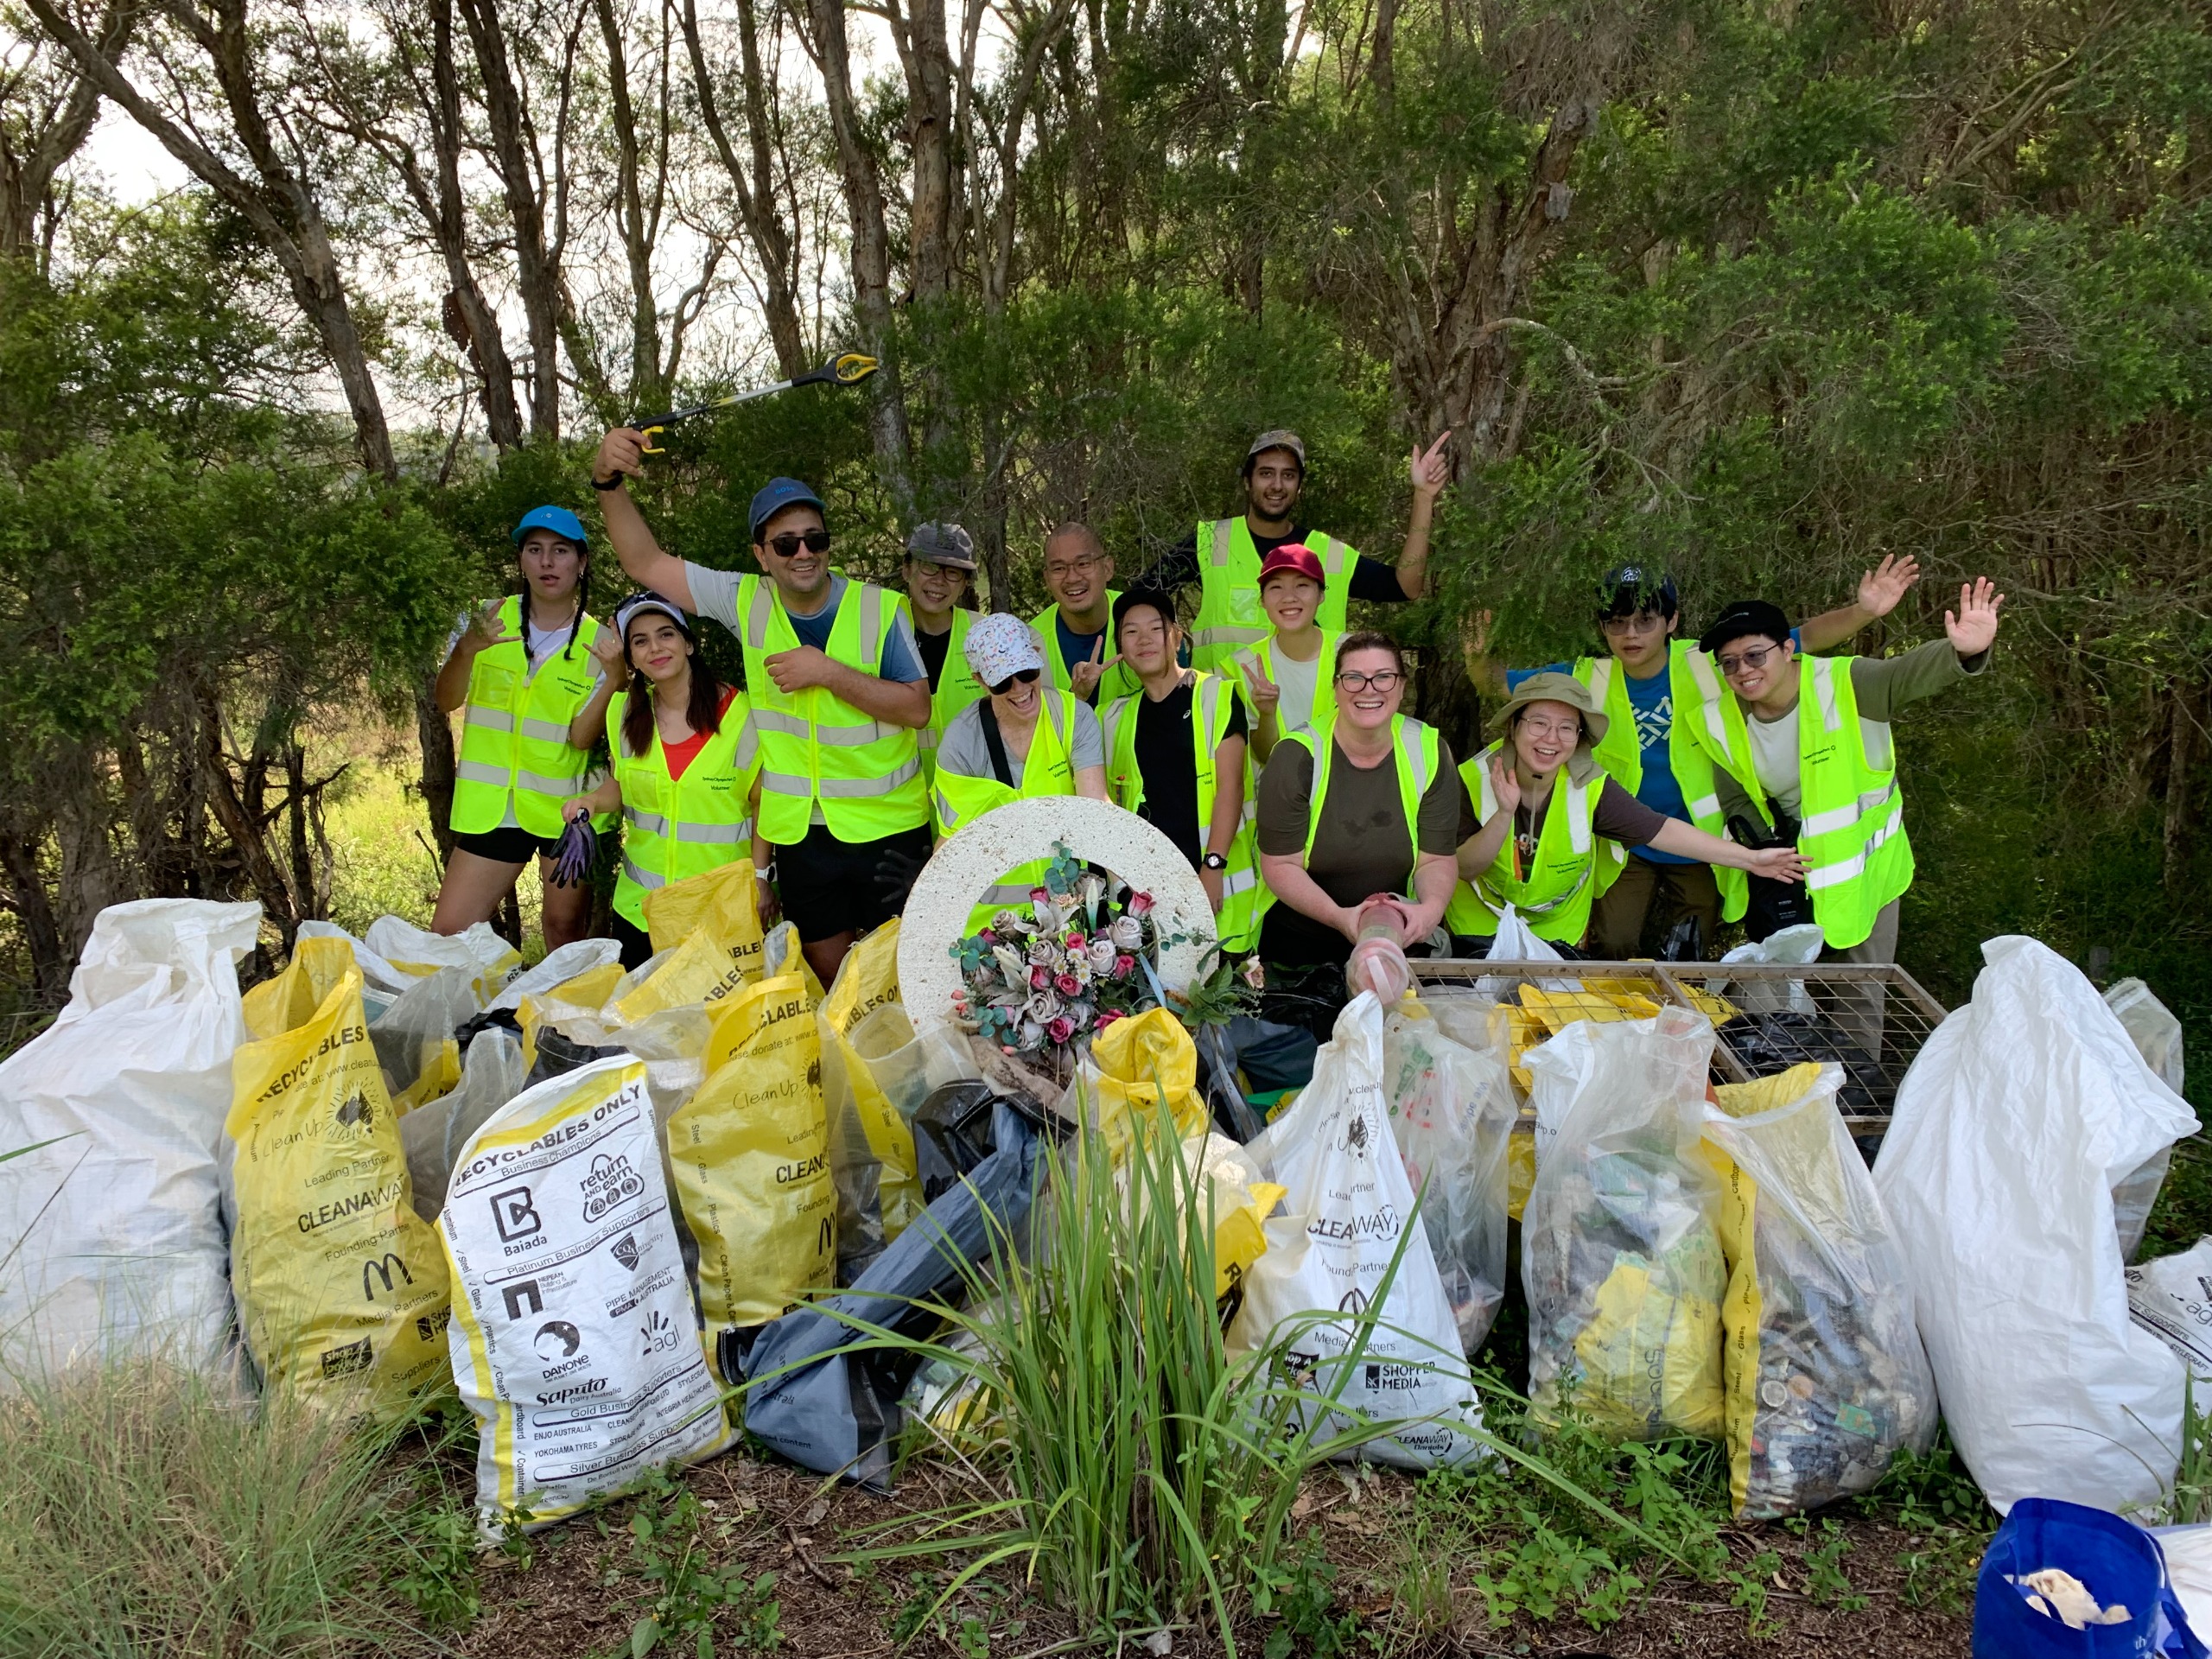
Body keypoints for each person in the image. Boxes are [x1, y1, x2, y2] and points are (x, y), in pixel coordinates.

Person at [589, 429, 933, 987]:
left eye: (815, 539)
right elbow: (645, 561)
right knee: (831, 984)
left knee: (905, 979)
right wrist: (608, 482)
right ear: (761, 555)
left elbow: (916, 708)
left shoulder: (880, 608)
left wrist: (826, 671)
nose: (804, 553)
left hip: (889, 830)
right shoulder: (744, 600)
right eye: (786, 543)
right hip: (800, 835)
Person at [1463, 556, 1923, 957]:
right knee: (1615, 938)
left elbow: (1802, 639)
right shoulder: (1587, 676)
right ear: (1602, 628)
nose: (1630, 634)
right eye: (1616, 623)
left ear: (1672, 621)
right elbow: (1498, 684)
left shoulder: (1712, 661)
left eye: (1645, 620)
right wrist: (1475, 656)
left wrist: (1864, 611)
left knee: (1694, 941)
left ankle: (1683, 1016)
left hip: (1702, 836)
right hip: (1625, 840)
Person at [1685, 581, 2004, 969]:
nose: (1743, 671)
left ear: (1787, 649)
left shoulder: (1846, 683)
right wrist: (1774, 854)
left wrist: (1963, 651)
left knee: (1861, 988)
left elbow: (1904, 674)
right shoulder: (1719, 719)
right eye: (1730, 663)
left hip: (1866, 869)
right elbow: (1736, 798)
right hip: (1788, 868)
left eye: (1755, 655)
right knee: (1783, 991)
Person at [1446, 673, 1807, 954]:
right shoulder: (1469, 779)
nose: (1551, 739)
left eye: (1566, 728)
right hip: (1479, 928)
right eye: (1539, 723)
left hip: (1555, 933)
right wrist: (1504, 813)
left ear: (1579, 738)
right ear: (1513, 726)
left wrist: (1751, 859)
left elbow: (1660, 830)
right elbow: (1465, 867)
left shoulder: (1590, 785)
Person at [430, 504, 617, 949]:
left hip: (566, 811)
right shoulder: (483, 617)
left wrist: (614, 679)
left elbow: (582, 739)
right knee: (447, 933)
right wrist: (465, 650)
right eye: (534, 550)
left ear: (582, 561)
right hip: (494, 806)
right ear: (521, 560)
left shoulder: (601, 643)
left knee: (564, 931)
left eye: (560, 551)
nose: (547, 562)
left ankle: (564, 1000)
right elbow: (446, 701)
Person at [559, 594, 766, 969]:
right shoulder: (623, 712)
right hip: (640, 912)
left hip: (718, 911)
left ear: (688, 644)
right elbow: (621, 786)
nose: (655, 647)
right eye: (640, 641)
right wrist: (591, 801)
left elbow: (761, 803)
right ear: (632, 659)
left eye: (666, 634)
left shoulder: (743, 714)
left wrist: (762, 878)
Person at [1138, 429, 1449, 671]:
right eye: (1266, 473)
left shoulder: (1328, 554)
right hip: (1224, 720)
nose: (1277, 485)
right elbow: (1142, 597)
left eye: (1288, 475)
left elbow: (1406, 586)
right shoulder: (1209, 541)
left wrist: (1423, 497)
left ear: (1299, 486)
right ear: (1247, 481)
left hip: (1308, 723)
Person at [1253, 632, 1460, 970]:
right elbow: (1279, 865)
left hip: (1395, 938)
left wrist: (1430, 911)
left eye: (1383, 677)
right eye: (1354, 678)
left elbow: (1435, 859)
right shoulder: (1296, 755)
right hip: (1300, 945)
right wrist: (1340, 917)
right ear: (1336, 688)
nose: (1369, 689)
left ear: (1401, 686)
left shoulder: (1429, 749)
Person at [1099, 591, 1260, 951]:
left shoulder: (1215, 695)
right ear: (1120, 648)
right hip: (1147, 895)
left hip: (1216, 886)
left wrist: (1213, 866)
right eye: (1131, 632)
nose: (1144, 639)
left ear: (1176, 636)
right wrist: (1079, 696)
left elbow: (1231, 787)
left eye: (1156, 628)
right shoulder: (1112, 716)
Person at [931, 613, 1109, 931]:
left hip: (1065, 922)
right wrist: (928, 913)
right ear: (980, 680)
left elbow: (1096, 813)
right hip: (990, 928)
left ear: (1037, 658)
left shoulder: (1074, 717)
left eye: (1026, 672)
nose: (1019, 688)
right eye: (1002, 681)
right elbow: (952, 845)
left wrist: (1125, 900)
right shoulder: (961, 741)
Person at [1228, 543, 1340, 767]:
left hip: (1345, 785)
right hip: (1279, 787)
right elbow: (1264, 756)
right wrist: (1267, 714)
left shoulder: (1354, 653)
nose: (1289, 597)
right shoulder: (1241, 667)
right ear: (1262, 600)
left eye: (1302, 585)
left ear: (1321, 595)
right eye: (1276, 587)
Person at [901, 521, 984, 780]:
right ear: (906, 570)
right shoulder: (881, 633)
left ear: (965, 583)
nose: (939, 581)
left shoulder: (984, 636)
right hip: (901, 797)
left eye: (953, 572)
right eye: (929, 567)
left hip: (971, 794)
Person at [1029, 522, 1139, 706]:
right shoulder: (1030, 643)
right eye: (1059, 568)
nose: (1072, 577)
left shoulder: (1146, 619)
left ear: (1107, 568)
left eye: (1083, 564)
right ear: (1047, 579)